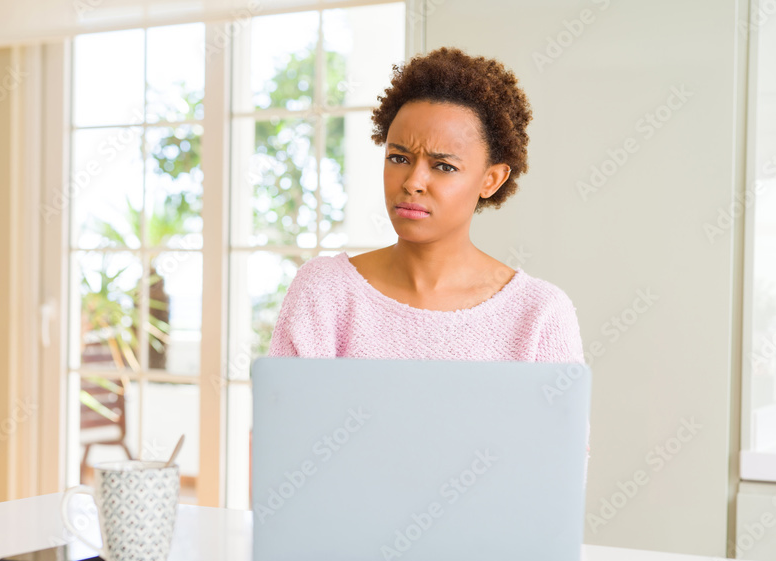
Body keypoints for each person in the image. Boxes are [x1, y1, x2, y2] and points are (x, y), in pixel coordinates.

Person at [250, 46, 589, 495]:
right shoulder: (325, 292)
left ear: (491, 179)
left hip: (486, 557)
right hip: (337, 556)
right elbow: (282, 452)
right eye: (398, 157)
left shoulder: (540, 314)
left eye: (444, 166)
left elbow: (558, 479)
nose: (412, 181)